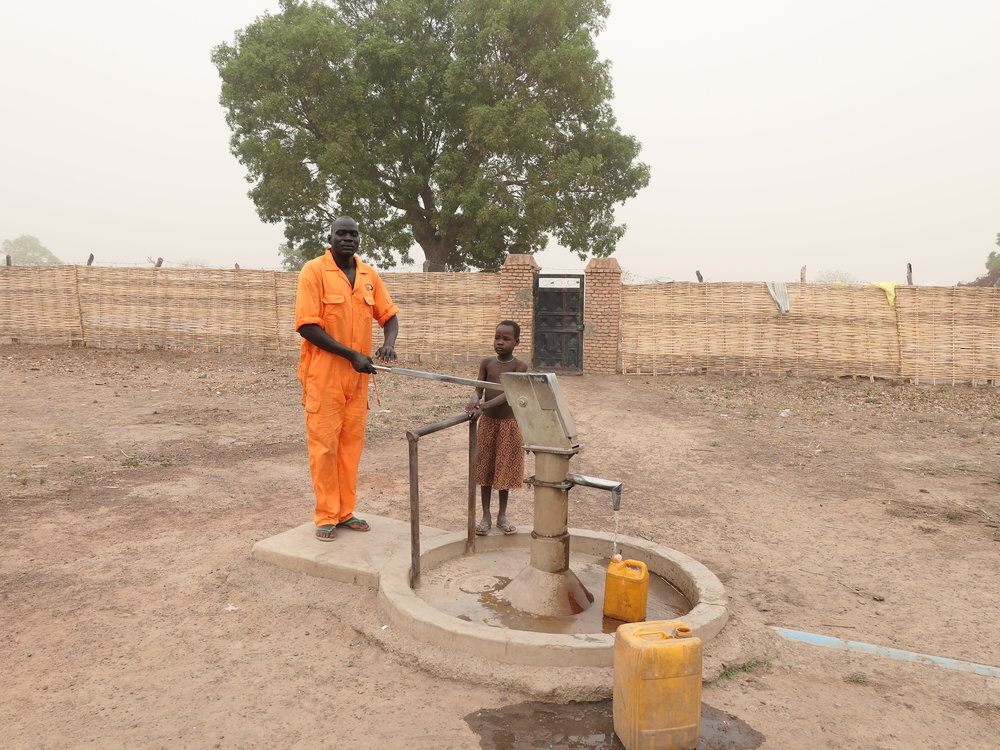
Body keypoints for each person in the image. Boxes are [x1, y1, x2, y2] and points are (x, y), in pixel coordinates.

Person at [295, 216, 399, 541]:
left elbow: (390, 315)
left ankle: (345, 512)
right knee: (325, 447)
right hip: (324, 378)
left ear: (359, 239)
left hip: (358, 381)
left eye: (353, 234)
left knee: (350, 447)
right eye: (341, 233)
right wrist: (352, 355)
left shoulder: (368, 275)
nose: (348, 239)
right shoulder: (313, 272)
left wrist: (388, 345)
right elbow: (307, 327)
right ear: (330, 237)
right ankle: (326, 515)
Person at [464, 320, 528, 535]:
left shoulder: (520, 367)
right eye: (497, 337)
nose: (500, 342)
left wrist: (483, 406)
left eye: (506, 339)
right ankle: (485, 516)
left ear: (516, 342)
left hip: (509, 426)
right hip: (488, 425)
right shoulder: (487, 363)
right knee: (485, 470)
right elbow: (478, 389)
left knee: (504, 472)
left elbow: (509, 394)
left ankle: (502, 515)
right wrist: (474, 400)